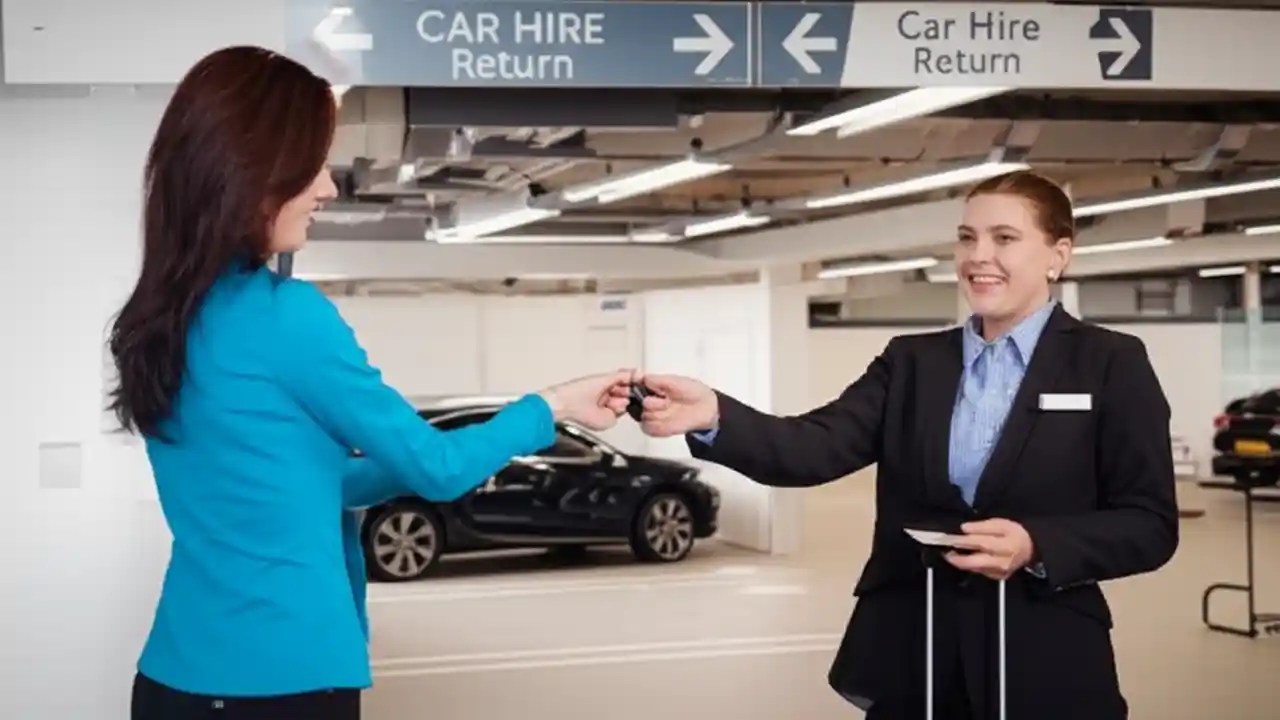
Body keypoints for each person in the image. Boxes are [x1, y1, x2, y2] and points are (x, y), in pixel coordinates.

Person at [109, 46, 632, 720]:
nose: (327, 187)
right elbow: (440, 471)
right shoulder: (287, 316)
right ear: (251, 172)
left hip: (174, 681)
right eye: (311, 164)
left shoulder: (159, 317)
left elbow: (310, 484)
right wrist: (552, 405)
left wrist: (417, 454)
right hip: (283, 684)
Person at [626, 170, 1178, 720]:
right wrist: (713, 415)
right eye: (967, 237)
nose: (978, 255)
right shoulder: (912, 361)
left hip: (1046, 653)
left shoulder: (1110, 362)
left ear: (1058, 254)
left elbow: (1149, 524)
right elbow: (813, 446)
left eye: (1004, 238)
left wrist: (1037, 544)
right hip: (917, 647)